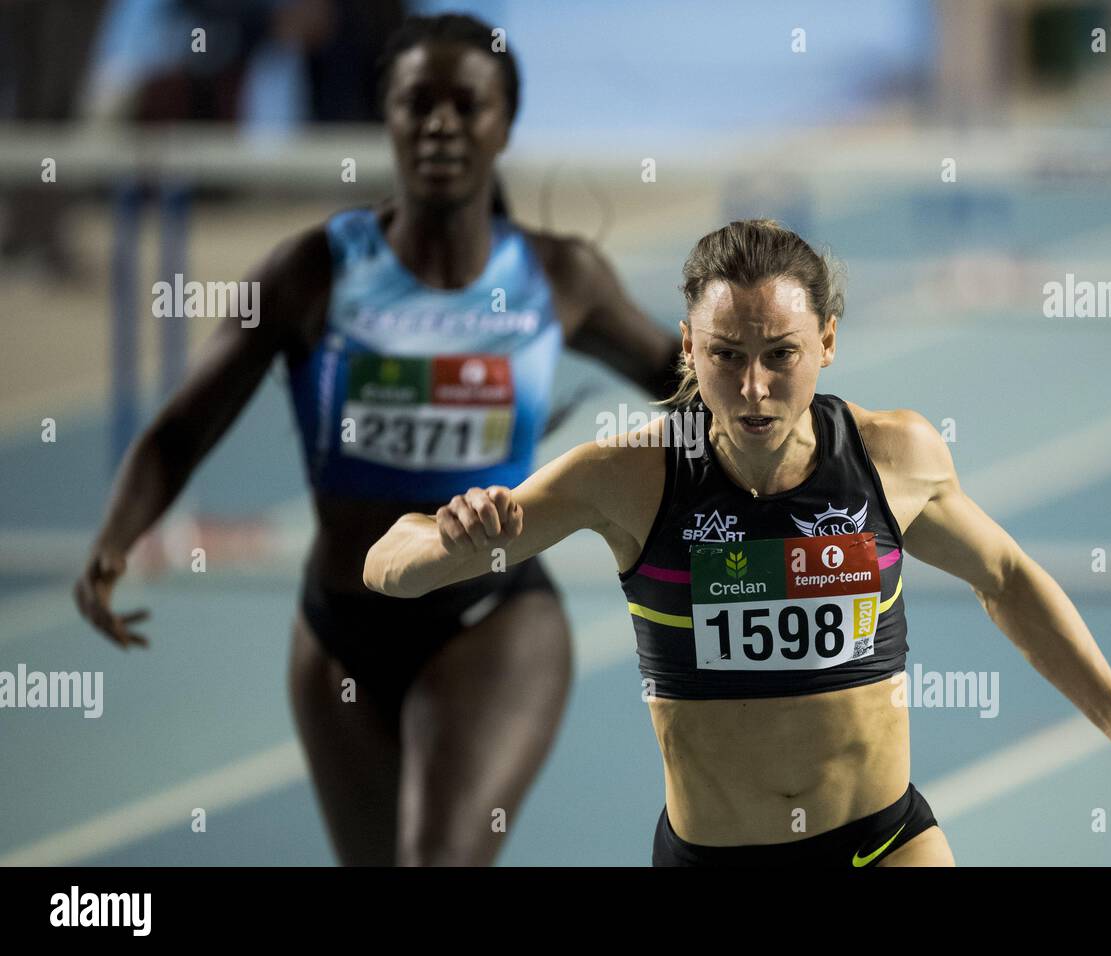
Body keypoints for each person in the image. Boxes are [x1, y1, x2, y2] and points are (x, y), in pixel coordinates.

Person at [363, 218, 1111, 867]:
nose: (752, 388)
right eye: (725, 355)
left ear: (827, 341)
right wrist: (449, 531)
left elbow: (1007, 575)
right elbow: (389, 569)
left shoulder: (895, 457)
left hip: (885, 839)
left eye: (781, 353)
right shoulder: (627, 476)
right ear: (687, 348)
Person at [73, 13, 681, 866]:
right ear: (385, 117)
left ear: (503, 126)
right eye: (415, 103)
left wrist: (797, 441)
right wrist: (113, 539)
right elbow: (181, 430)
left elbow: (690, 385)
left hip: (492, 622)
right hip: (335, 635)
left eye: (465, 105)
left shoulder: (556, 277)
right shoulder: (312, 272)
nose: (439, 124)